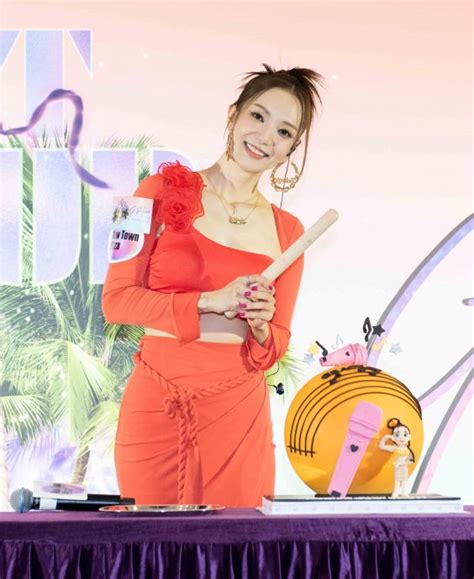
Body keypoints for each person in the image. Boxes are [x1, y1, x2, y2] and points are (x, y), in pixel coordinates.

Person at [101, 63, 324, 507]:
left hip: (238, 412)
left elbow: (274, 346)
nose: (265, 137)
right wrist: (210, 300)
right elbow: (116, 302)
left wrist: (261, 326)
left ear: (291, 149)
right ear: (233, 115)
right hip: (157, 400)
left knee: (237, 542)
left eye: (283, 132)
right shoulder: (150, 190)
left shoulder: (291, 231)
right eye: (258, 116)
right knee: (147, 542)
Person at [378, 418, 415, 498]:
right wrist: (385, 438)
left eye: (405, 435)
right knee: (397, 481)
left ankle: (404, 493)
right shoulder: (394, 448)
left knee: (404, 481)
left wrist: (402, 463)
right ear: (393, 438)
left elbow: (411, 460)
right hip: (397, 467)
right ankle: (395, 494)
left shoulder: (408, 450)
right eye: (397, 435)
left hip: (404, 467)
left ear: (409, 437)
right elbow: (381, 446)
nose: (401, 438)